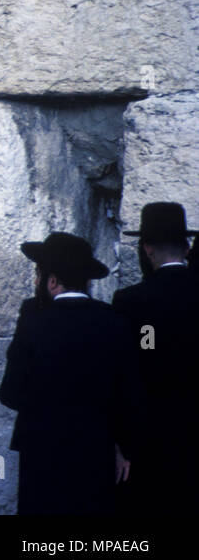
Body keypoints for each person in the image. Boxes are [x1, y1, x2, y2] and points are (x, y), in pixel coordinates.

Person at [0, 232, 143, 514]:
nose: (37, 282)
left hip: (41, 448)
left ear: (52, 281)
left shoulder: (33, 320)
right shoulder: (114, 320)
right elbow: (129, 393)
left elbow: (10, 393)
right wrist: (125, 447)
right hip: (95, 447)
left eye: (39, 276)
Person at [110, 203, 199, 513]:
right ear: (187, 247)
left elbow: (124, 376)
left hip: (149, 441)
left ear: (146, 248)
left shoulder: (131, 301)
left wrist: (122, 444)